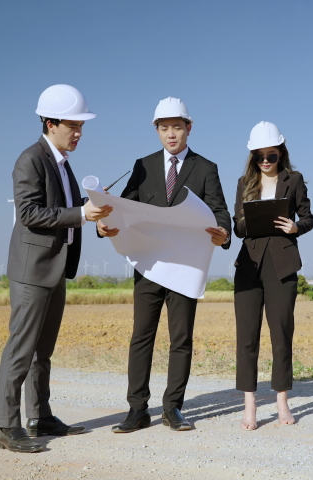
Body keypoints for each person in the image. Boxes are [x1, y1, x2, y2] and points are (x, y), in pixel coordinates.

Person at [99, 97, 232, 433]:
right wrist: (103, 219)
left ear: (189, 128)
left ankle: (173, 408)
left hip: (186, 266)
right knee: (141, 336)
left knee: (181, 339)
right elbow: (123, 206)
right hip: (148, 263)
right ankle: (137, 410)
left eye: (177, 127)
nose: (171, 134)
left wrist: (224, 234)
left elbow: (220, 212)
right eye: (164, 128)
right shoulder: (142, 165)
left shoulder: (206, 168)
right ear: (156, 130)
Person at [0, 84, 112, 453]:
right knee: (21, 348)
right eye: (72, 125)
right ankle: (7, 426)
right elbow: (29, 213)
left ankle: (40, 415)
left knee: (43, 350)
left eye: (81, 126)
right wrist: (80, 214)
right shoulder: (30, 160)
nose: (78, 133)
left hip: (57, 268)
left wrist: (94, 211)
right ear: (50, 123)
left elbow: (64, 207)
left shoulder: (62, 163)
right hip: (32, 271)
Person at [232, 121, 313, 430]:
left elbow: (308, 218)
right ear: (253, 157)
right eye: (260, 156)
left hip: (283, 264)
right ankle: (249, 404)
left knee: (281, 334)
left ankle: (282, 400)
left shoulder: (295, 180)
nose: (265, 161)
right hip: (249, 265)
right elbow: (237, 226)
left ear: (281, 153)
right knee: (247, 337)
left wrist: (295, 227)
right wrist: (246, 221)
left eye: (271, 155)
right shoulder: (243, 182)